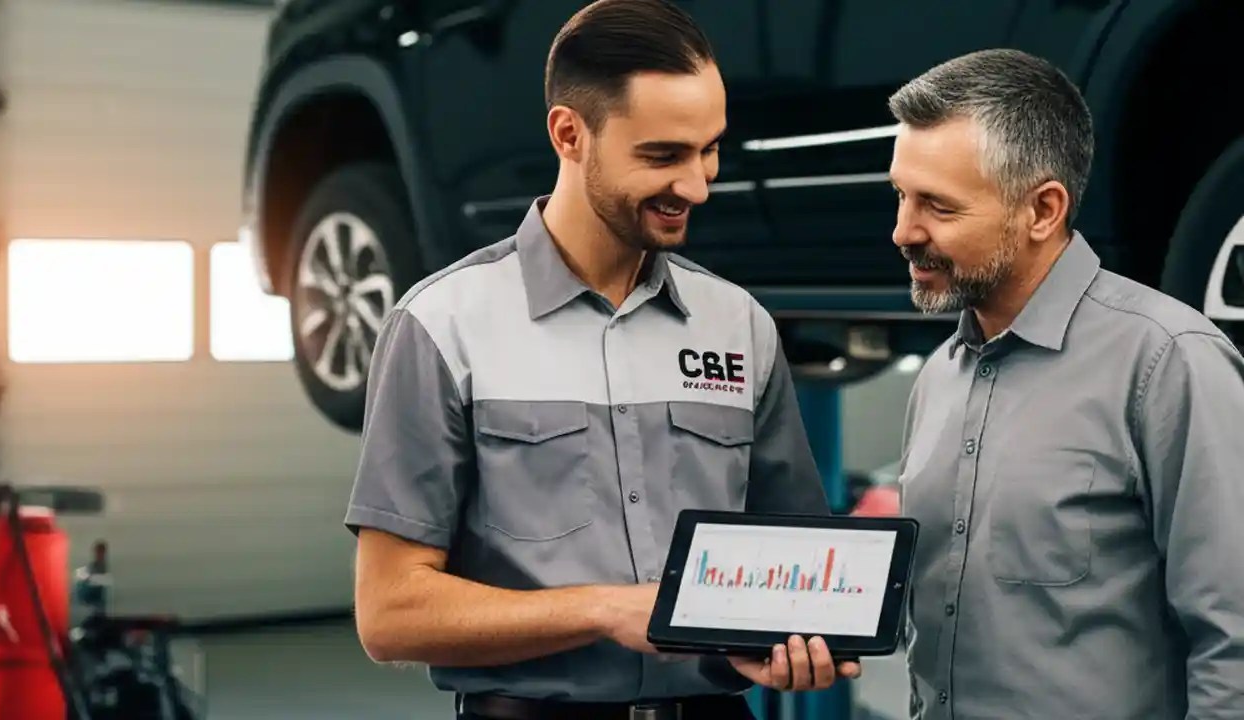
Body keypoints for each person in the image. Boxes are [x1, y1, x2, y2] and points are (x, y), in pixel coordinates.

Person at [344, 1, 860, 718]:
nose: (698, 185)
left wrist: (791, 637)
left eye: (709, 149)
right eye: (663, 156)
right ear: (569, 134)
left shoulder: (740, 325)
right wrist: (604, 610)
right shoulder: (441, 325)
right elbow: (390, 613)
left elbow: (791, 565)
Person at [888, 47, 1244, 719]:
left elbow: (1236, 642)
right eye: (901, 195)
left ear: (1043, 210)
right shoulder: (938, 378)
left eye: (937, 205)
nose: (903, 230)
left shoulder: (1169, 362)